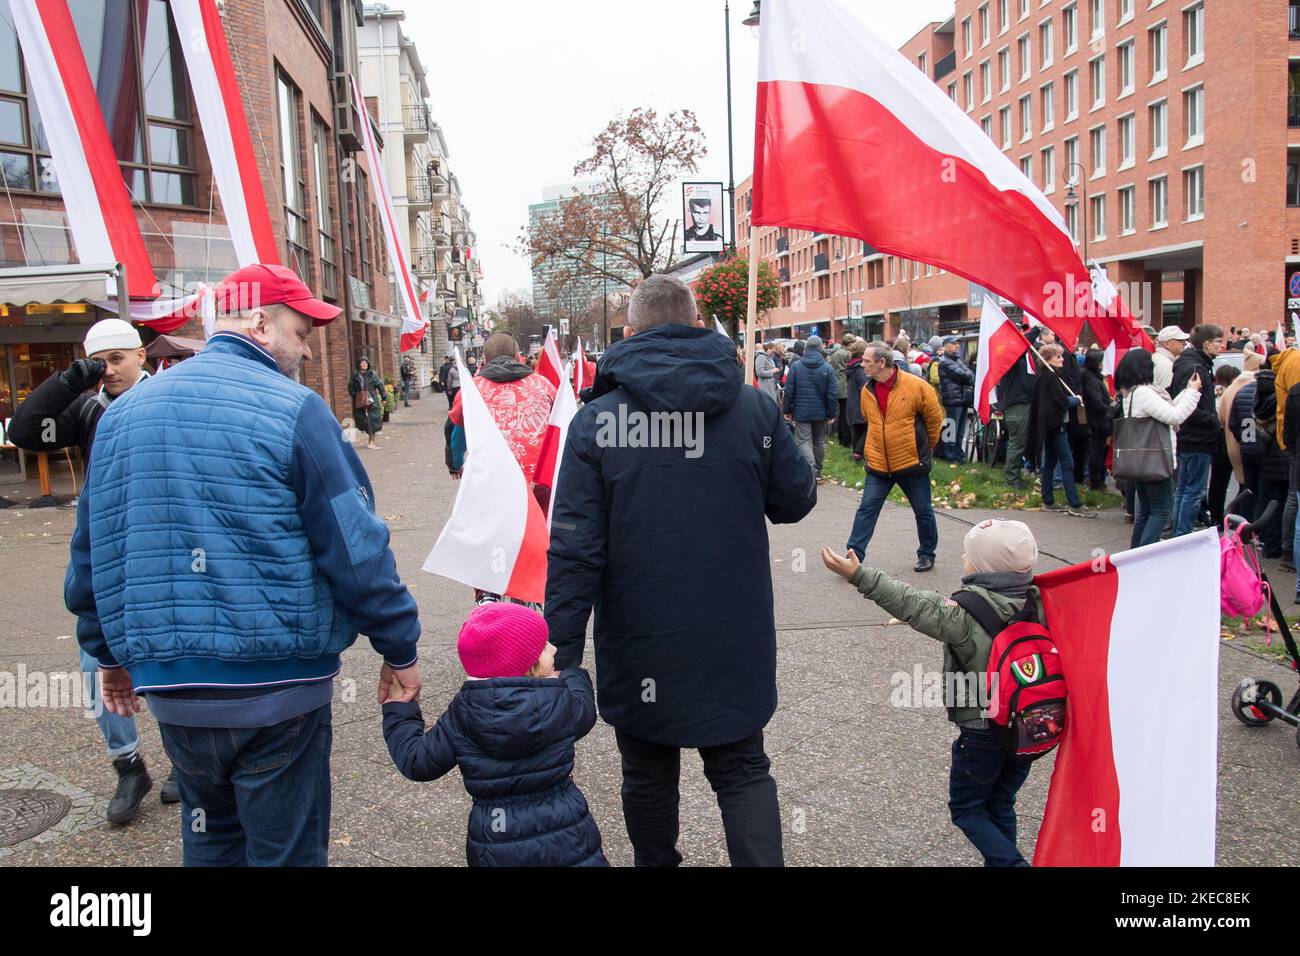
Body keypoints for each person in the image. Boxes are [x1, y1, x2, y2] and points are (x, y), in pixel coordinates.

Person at [65, 262, 422, 866]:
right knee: (285, 853)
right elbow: (354, 545)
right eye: (301, 334)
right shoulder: (295, 409)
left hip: (174, 687)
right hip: (278, 686)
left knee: (211, 840)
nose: (306, 351)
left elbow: (95, 549)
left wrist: (106, 654)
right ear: (259, 322)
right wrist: (400, 646)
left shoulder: (122, 417)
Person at [545, 274, 816, 867]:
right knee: (742, 769)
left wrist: (559, 650)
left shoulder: (598, 422)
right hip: (732, 631)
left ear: (630, 333)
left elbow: (573, 548)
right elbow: (796, 499)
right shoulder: (751, 408)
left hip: (643, 636)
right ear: (697, 324)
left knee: (648, 772)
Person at [8, 318, 178, 823]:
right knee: (93, 661)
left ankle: (185, 757)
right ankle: (128, 766)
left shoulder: (168, 397)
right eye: (98, 363)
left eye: (117, 359)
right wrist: (68, 381)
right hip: (106, 546)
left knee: (169, 652)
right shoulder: (87, 409)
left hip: (165, 543)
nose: (109, 371)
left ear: (141, 355)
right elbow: (24, 431)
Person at [821, 518, 1044, 867]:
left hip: (983, 732)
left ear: (987, 570)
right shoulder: (1040, 601)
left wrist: (859, 575)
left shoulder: (966, 614)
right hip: (1030, 726)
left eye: (969, 555)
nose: (963, 557)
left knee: (968, 809)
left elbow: (913, 603)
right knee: (1000, 802)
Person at [382, 603, 606, 867]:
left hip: (495, 843)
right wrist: (573, 674)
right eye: (544, 646)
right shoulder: (561, 703)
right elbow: (585, 710)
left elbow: (417, 761)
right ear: (531, 665)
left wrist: (399, 708)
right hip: (570, 836)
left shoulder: (462, 714)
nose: (554, 648)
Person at [846, 341, 944, 571]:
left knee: (923, 511)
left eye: (867, 362)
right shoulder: (867, 390)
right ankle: (853, 556)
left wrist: (922, 450)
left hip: (911, 463)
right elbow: (869, 421)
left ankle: (927, 554)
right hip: (878, 464)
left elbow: (934, 421)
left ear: (882, 362)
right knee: (866, 509)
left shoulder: (917, 386)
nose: (862, 365)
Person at [1114, 349, 1201, 549]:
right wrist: (1193, 393)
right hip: (1155, 461)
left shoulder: (1131, 393)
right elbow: (1175, 416)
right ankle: (1146, 556)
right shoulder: (1144, 393)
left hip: (1141, 461)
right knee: (1160, 510)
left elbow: (1167, 410)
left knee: (1146, 511)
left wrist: (1187, 391)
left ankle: (1136, 554)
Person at [448, 331, 557, 487]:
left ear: (485, 360)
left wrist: (456, 464)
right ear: (518, 357)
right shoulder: (543, 385)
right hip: (536, 479)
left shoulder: (470, 389)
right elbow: (560, 425)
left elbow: (457, 431)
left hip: (490, 479)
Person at [1025, 345, 1096, 518]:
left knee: (1050, 463)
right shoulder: (1050, 377)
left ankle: (1048, 500)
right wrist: (1075, 400)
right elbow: (1060, 402)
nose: (1062, 359)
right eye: (1058, 357)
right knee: (1067, 463)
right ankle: (1074, 504)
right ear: (1048, 359)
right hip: (1057, 427)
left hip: (1049, 427)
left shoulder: (1043, 377)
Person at [1170, 324, 1224, 536]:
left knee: (1184, 489)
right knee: (1193, 491)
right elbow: (1190, 407)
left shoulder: (1192, 364)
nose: (1221, 346)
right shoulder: (1196, 368)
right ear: (1207, 344)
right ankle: (1182, 535)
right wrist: (1214, 420)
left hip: (1190, 437)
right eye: (1218, 342)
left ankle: (1179, 535)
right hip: (1197, 438)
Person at [782, 334, 838, 483]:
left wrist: (786, 410)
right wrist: (832, 413)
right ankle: (818, 471)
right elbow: (832, 393)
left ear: (806, 348)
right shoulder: (827, 368)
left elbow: (789, 390)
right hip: (820, 411)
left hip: (801, 411)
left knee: (803, 441)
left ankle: (811, 470)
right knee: (819, 441)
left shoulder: (796, 366)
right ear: (820, 348)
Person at [995, 327, 1039, 489]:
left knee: (1020, 442)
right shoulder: (1009, 353)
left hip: (1022, 401)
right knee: (1017, 442)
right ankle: (1011, 479)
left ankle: (1015, 475)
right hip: (1016, 404)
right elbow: (1021, 346)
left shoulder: (1021, 355)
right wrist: (1036, 330)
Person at [1208, 365, 1241, 531]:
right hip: (1229, 440)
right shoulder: (1233, 394)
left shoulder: (1215, 394)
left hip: (1218, 441)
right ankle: (1233, 515)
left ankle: (1216, 517)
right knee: (1241, 480)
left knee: (1218, 482)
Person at [937, 336, 974, 464]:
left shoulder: (957, 360)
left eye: (957, 343)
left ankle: (959, 456)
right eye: (954, 343)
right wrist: (968, 376)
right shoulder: (944, 361)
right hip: (952, 400)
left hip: (961, 398)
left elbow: (969, 373)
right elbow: (964, 375)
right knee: (951, 429)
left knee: (960, 431)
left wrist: (968, 375)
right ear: (946, 345)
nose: (957, 346)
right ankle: (950, 456)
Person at [1080, 349, 1112, 491]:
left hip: (1098, 420)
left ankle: (1098, 481)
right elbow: (1097, 403)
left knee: (1098, 452)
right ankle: (1095, 482)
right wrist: (1111, 408)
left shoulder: (1095, 378)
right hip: (1097, 421)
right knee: (1097, 453)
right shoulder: (1091, 380)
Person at [348, 357, 384, 449]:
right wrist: (355, 395)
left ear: (368, 364)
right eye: (362, 363)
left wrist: (384, 397)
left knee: (373, 419)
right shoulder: (355, 376)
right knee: (361, 419)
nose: (364, 365)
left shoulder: (372, 374)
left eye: (365, 363)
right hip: (360, 400)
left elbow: (380, 385)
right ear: (359, 364)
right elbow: (350, 387)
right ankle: (369, 434)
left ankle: (372, 441)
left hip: (371, 399)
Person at [844, 339, 869, 461]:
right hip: (860, 401)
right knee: (867, 428)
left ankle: (856, 452)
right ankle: (858, 452)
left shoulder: (850, 365)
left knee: (856, 428)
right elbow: (864, 385)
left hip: (852, 401)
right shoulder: (860, 368)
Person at [829, 333, 854, 447]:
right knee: (846, 414)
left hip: (836, 385)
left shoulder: (834, 354)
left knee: (841, 414)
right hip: (845, 385)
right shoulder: (848, 354)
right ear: (849, 343)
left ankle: (841, 437)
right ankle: (846, 439)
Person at [1152, 325, 1189, 391]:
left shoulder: (1157, 358)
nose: (1185, 343)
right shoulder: (1166, 365)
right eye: (1180, 340)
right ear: (1167, 344)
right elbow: (1166, 394)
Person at [755, 341, 781, 405]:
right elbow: (759, 372)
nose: (773, 354)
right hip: (765, 386)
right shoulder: (761, 357)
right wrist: (773, 371)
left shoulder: (769, 357)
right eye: (772, 351)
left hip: (771, 386)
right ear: (768, 348)